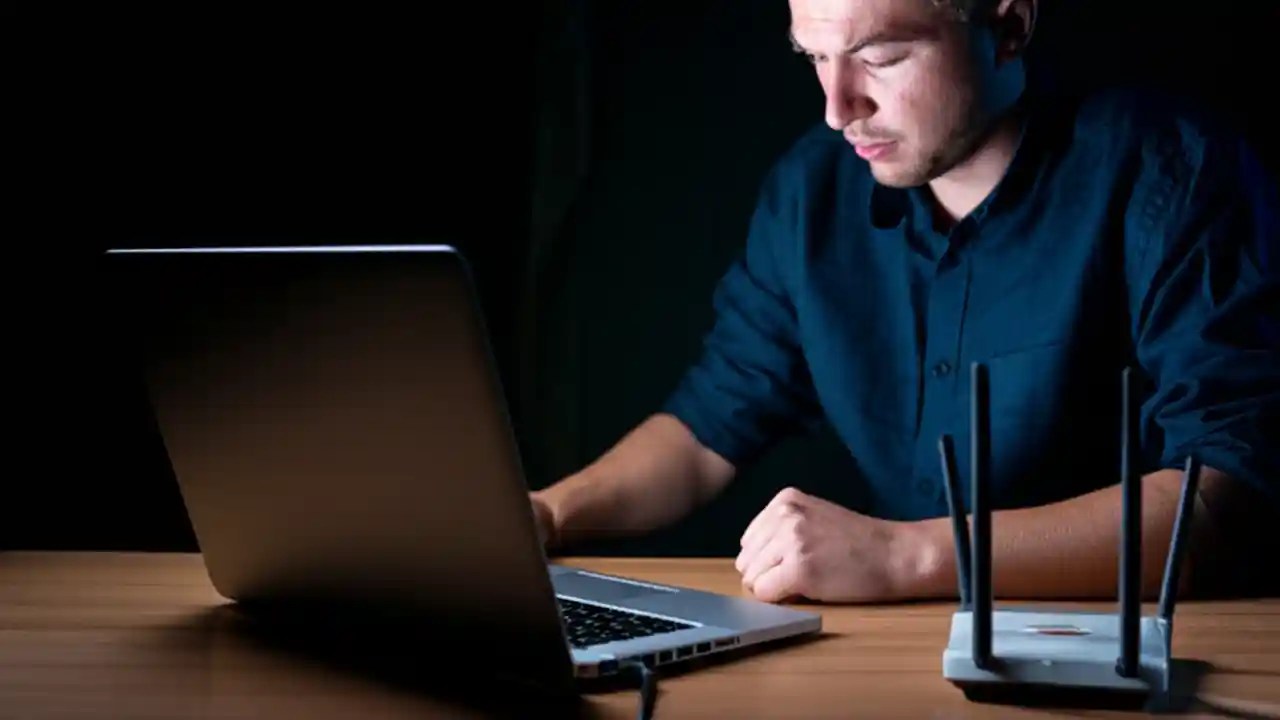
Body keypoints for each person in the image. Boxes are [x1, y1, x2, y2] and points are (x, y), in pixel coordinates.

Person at [529, 0, 1280, 604]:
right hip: (911, 658)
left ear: (1009, 27)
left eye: (880, 57)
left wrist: (903, 555)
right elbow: (706, 432)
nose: (837, 107)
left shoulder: (1171, 174)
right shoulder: (811, 192)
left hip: (1141, 660)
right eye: (816, 58)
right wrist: (546, 516)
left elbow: (1223, 498)